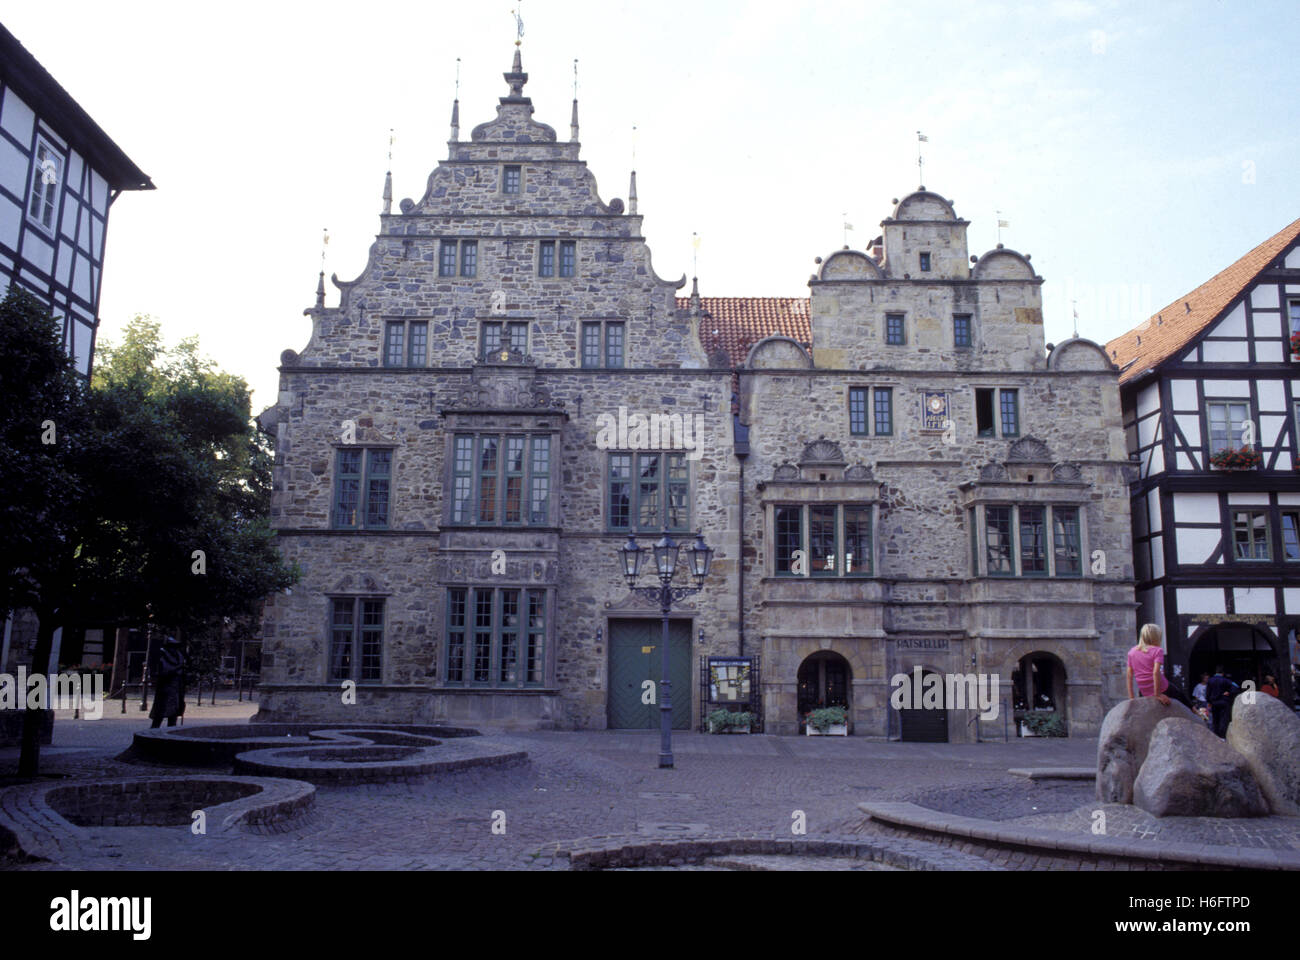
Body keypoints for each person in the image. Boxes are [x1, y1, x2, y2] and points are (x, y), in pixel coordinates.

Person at [148, 634, 187, 729]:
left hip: (176, 687)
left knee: (174, 712)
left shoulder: (179, 656)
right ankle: (154, 732)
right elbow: (161, 671)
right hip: (165, 686)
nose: (174, 649)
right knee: (160, 712)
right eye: (172, 646)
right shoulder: (162, 655)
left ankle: (171, 730)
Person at [1206, 665, 1235, 738]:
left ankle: (1216, 736)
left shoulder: (1210, 680)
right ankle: (1223, 736)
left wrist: (1209, 702)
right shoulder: (1226, 680)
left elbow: (1207, 693)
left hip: (1214, 703)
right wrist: (1229, 693)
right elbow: (1235, 687)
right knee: (1223, 720)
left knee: (1215, 720)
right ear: (1222, 673)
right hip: (1224, 702)